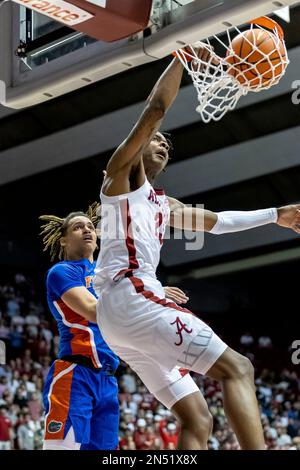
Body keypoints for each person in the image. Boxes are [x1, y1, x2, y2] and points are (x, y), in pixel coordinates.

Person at [93, 45, 300, 450]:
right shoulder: (118, 178)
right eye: (157, 141)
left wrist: (275, 214)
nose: (163, 144)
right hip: (132, 300)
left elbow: (218, 223)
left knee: (197, 418)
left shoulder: (162, 204)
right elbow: (155, 110)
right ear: (137, 150)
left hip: (120, 319)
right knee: (238, 368)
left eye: (168, 145)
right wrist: (183, 55)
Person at [39, 205, 187, 450]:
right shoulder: (61, 272)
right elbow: (94, 311)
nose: (86, 229)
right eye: (77, 227)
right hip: (75, 374)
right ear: (63, 240)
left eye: (89, 226)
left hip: (107, 381)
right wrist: (146, 297)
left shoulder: (110, 275)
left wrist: (154, 293)